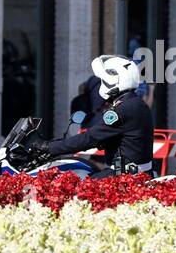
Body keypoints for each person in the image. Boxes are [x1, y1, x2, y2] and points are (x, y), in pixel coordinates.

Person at [26, 55, 155, 177]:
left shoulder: (121, 110)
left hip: (124, 177)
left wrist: (47, 147)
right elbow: (122, 139)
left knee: (75, 190)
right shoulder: (135, 103)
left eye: (102, 81)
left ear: (114, 81)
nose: (101, 84)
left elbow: (89, 138)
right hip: (136, 173)